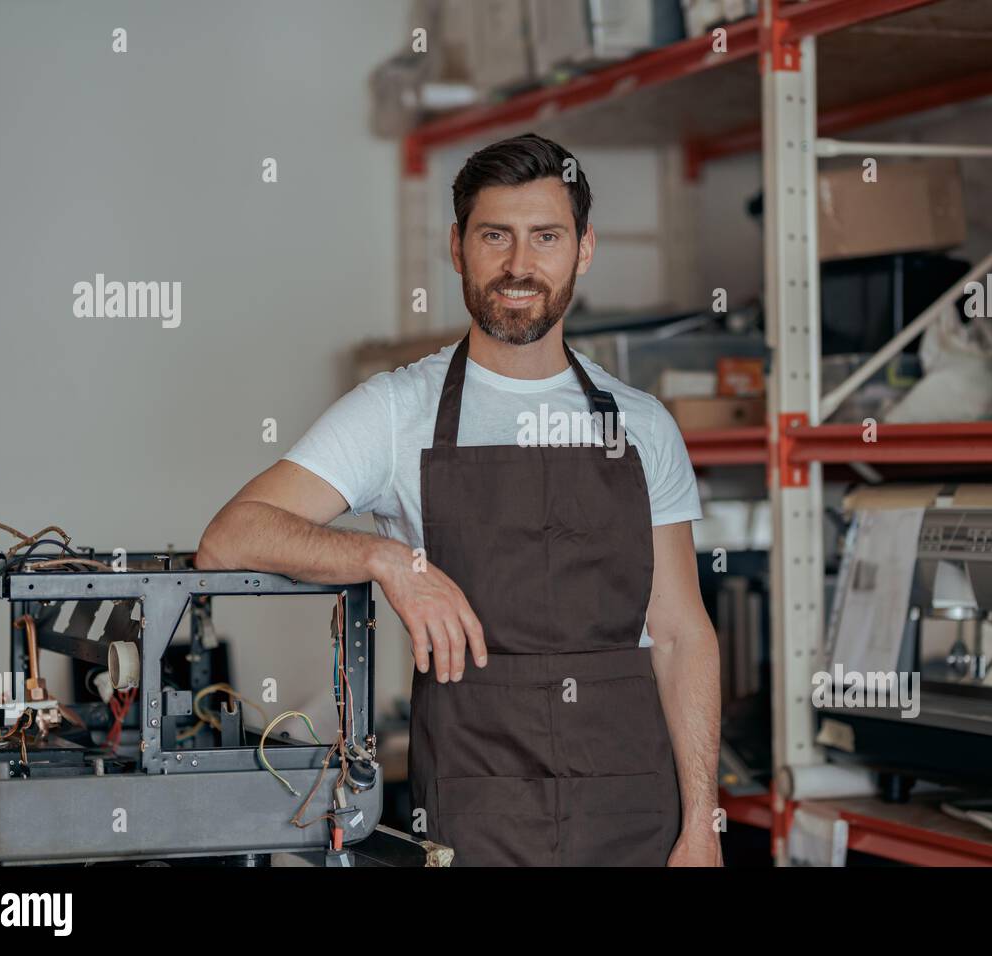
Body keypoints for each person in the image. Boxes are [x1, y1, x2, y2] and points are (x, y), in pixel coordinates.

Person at [197, 133, 722, 866]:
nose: (519, 265)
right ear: (457, 248)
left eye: (546, 237)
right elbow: (231, 536)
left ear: (585, 249)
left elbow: (680, 635)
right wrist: (387, 559)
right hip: (477, 807)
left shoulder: (644, 427)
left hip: (631, 806)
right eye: (494, 237)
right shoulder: (395, 411)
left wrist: (703, 820)